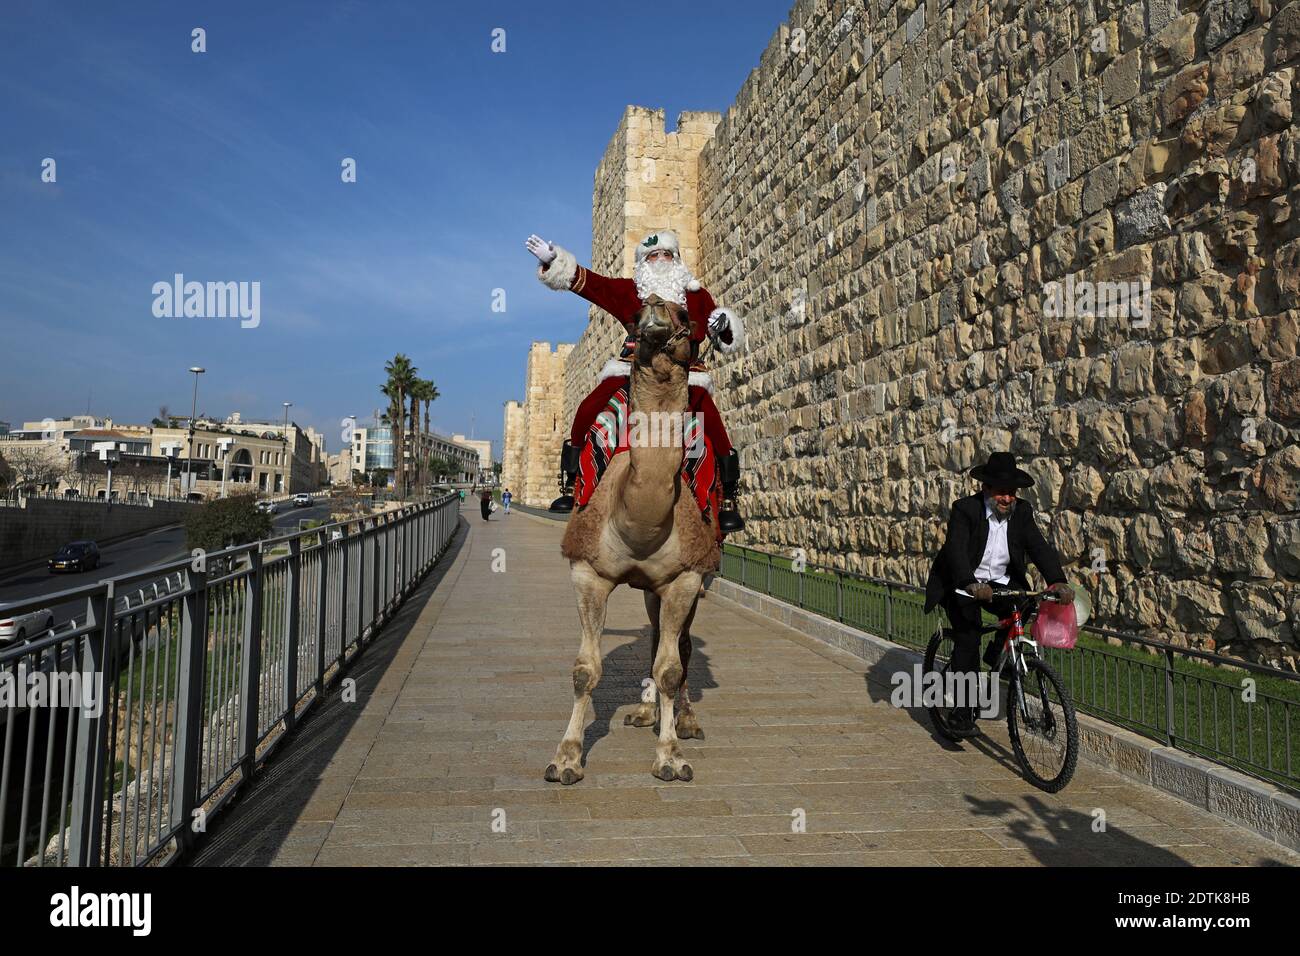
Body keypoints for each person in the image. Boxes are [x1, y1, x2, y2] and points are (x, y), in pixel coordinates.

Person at [525, 230, 747, 532]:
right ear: (643, 262)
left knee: (709, 421)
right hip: (635, 370)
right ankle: (573, 481)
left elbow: (723, 338)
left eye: (666, 255)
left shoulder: (697, 296)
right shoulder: (630, 292)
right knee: (590, 408)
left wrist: (722, 325)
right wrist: (557, 262)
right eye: (652, 256)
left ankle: (727, 498)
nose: (660, 260)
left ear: (676, 259)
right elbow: (593, 285)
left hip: (685, 374)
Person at [923, 451, 1074, 738]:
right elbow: (955, 551)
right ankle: (962, 712)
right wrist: (970, 583)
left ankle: (997, 656)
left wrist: (1058, 582)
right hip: (962, 582)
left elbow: (1039, 547)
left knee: (1026, 603)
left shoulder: (1023, 512)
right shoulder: (965, 510)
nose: (1007, 499)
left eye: (1012, 493)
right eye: (1002, 492)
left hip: (999, 581)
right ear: (987, 488)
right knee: (968, 636)